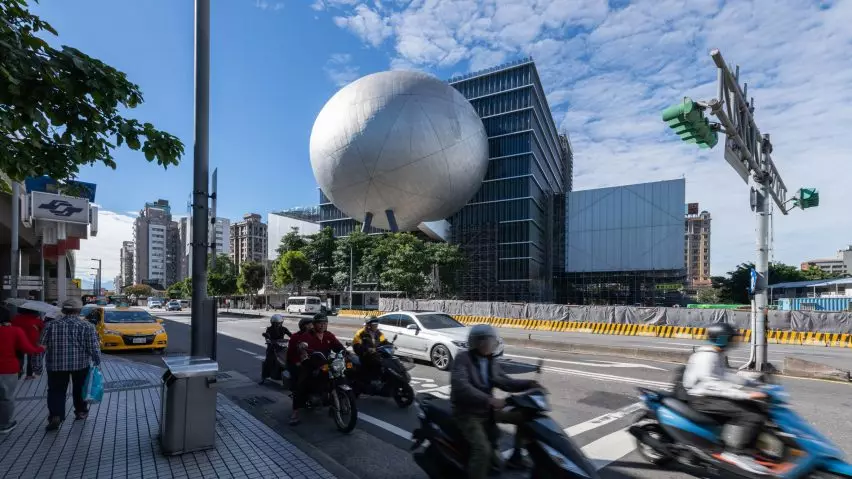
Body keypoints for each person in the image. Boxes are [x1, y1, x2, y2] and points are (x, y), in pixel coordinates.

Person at [451, 324, 540, 479]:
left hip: (487, 410)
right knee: (482, 450)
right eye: (492, 340)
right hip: (468, 414)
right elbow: (461, 386)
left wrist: (529, 384)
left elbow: (505, 381)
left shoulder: (490, 360)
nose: (495, 343)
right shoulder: (462, 359)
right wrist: (489, 399)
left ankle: (516, 458)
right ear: (480, 342)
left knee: (525, 417)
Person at [682, 322, 769, 475]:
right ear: (721, 339)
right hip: (702, 398)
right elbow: (712, 385)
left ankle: (752, 445)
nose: (733, 342)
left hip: (710, 395)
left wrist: (752, 382)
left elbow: (726, 376)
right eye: (730, 338)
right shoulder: (706, 356)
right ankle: (738, 452)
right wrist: (746, 394)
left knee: (757, 407)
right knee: (753, 414)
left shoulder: (717, 353)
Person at [39, 298, 102, 431]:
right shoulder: (87, 326)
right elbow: (93, 347)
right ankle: (80, 412)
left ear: (63, 310)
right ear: (79, 310)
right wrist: (97, 362)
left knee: (56, 390)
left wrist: (36, 366)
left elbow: (41, 347)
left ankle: (56, 415)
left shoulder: (50, 325)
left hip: (55, 365)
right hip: (80, 365)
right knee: (79, 389)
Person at [288, 313, 346, 425]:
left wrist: (344, 351)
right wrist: (302, 349)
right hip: (311, 363)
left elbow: (337, 345)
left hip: (326, 362)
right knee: (301, 384)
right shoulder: (307, 336)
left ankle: (339, 402)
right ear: (314, 325)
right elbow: (301, 346)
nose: (323, 325)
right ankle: (295, 412)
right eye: (320, 323)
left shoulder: (329, 335)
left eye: (325, 323)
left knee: (342, 376)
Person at [0, 306, 46, 434]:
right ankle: (4, 424)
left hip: (8, 367)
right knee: (6, 397)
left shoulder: (16, 322)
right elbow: (28, 349)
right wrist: (41, 349)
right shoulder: (14, 331)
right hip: (7, 369)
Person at [352, 317, 390, 382]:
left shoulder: (379, 333)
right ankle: (371, 382)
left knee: (387, 364)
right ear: (368, 325)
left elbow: (384, 341)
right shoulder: (361, 333)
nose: (376, 325)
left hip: (377, 355)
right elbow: (356, 345)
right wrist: (366, 350)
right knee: (375, 365)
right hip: (365, 356)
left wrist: (390, 345)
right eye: (374, 324)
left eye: (377, 324)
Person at [11, 307, 44, 379]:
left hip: (18, 341)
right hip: (32, 341)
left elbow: (12, 327)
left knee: (19, 358)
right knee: (31, 359)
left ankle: (18, 373)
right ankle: (29, 374)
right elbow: (42, 328)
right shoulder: (36, 319)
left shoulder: (16, 318)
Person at [260, 315, 292, 384]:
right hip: (272, 347)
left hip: (282, 347)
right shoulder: (269, 329)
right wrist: (268, 340)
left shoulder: (284, 329)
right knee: (268, 361)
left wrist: (295, 339)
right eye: (276, 323)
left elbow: (291, 335)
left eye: (279, 323)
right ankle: (263, 378)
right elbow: (267, 336)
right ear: (272, 323)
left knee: (290, 359)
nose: (278, 324)